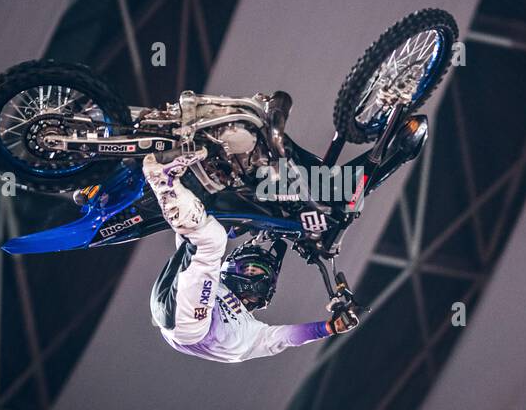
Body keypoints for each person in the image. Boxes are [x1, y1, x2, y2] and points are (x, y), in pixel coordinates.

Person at [138, 152, 360, 363]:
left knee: (210, 240)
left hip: (189, 328)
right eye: (249, 268)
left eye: (252, 270)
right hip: (174, 304)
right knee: (200, 231)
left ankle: (162, 177)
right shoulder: (220, 287)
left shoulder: (252, 334)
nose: (250, 271)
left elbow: (286, 337)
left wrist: (328, 328)